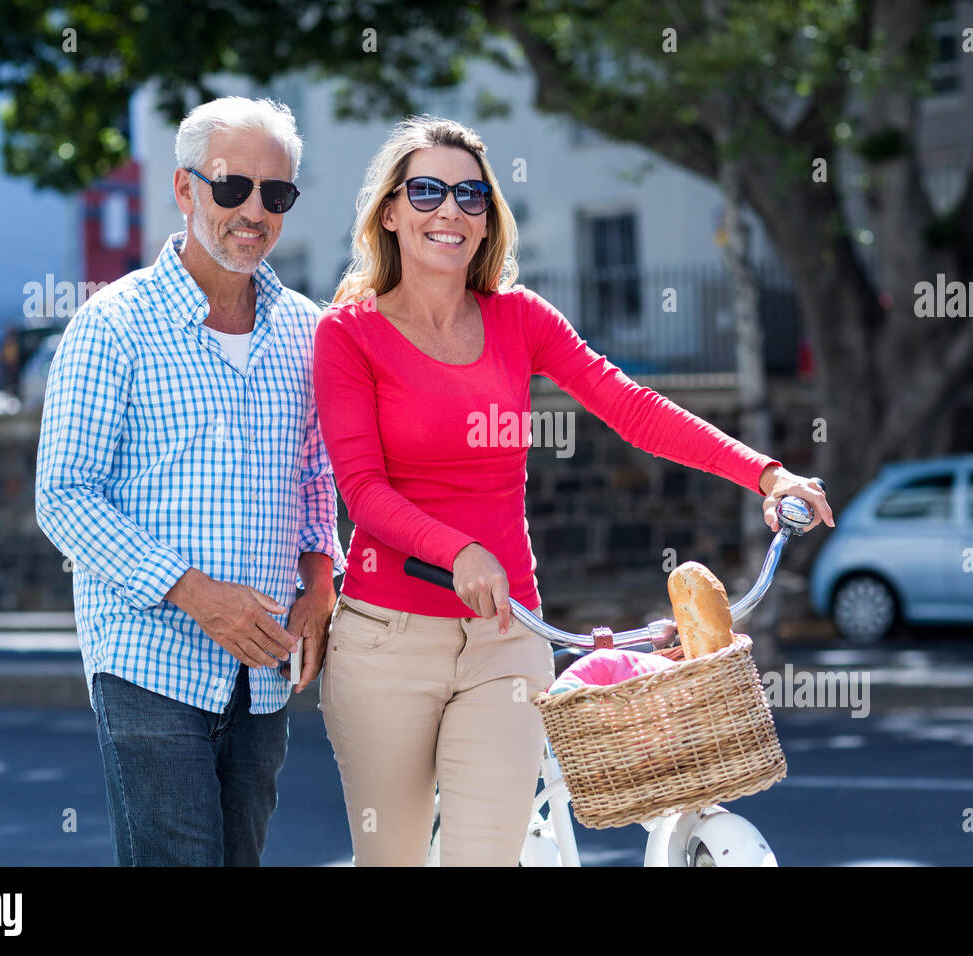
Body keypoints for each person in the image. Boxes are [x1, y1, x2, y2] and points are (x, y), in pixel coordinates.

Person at [313, 115, 834, 867]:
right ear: (390, 212)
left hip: (506, 637)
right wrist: (457, 551)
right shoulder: (348, 334)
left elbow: (632, 406)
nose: (449, 210)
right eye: (425, 190)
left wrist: (764, 471)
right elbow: (362, 491)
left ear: (488, 216)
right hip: (387, 640)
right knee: (389, 857)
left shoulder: (518, 319)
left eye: (470, 195)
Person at [34, 96, 343, 866]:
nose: (254, 211)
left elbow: (314, 478)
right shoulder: (112, 325)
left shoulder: (308, 331)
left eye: (276, 194)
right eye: (232, 186)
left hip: (263, 672)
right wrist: (194, 593)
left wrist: (319, 578)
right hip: (147, 661)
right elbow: (64, 496)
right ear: (184, 190)